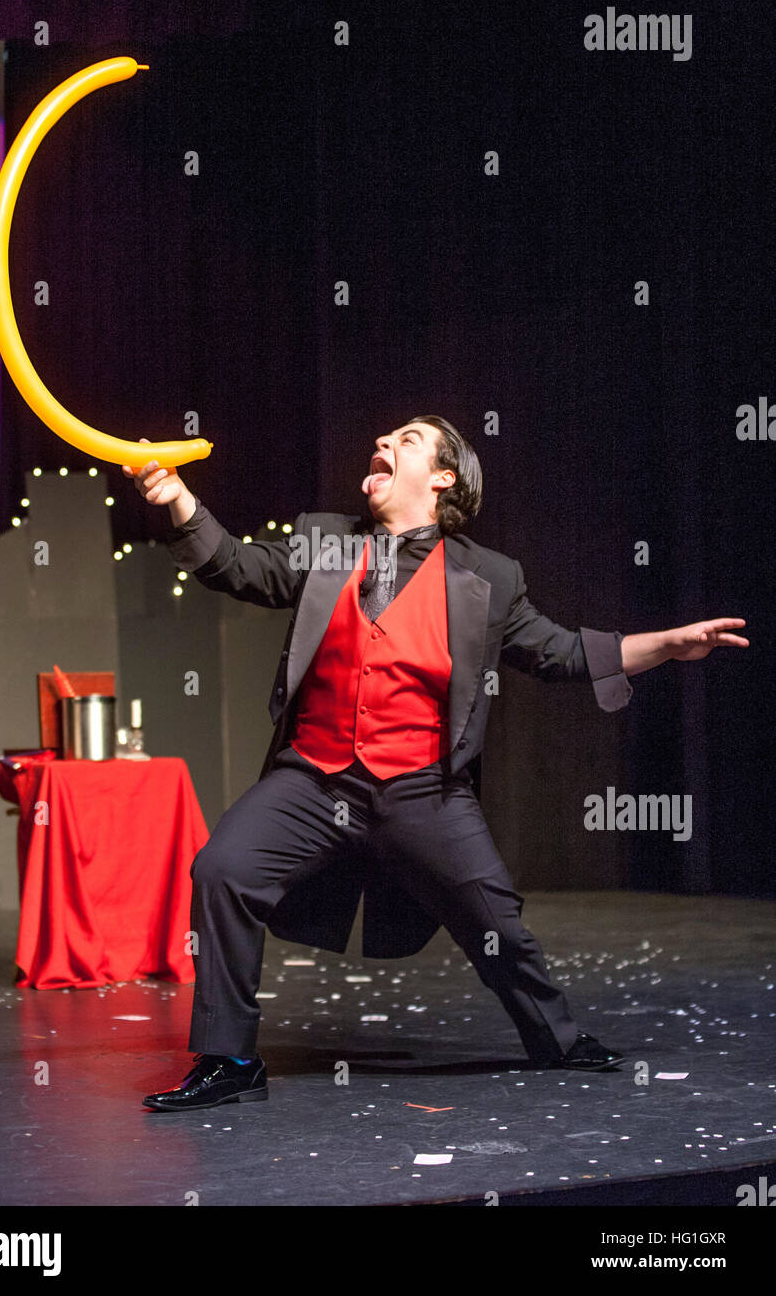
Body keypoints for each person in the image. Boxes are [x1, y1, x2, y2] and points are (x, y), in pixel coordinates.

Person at [125, 416, 748, 1111]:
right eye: (384, 439)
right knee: (223, 869)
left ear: (445, 477)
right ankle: (230, 1056)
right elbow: (240, 565)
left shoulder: (487, 577)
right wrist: (177, 498)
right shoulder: (326, 543)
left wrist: (664, 644)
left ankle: (559, 1039)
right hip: (314, 774)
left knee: (496, 920)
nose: (384, 443)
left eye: (408, 440)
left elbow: (562, 652)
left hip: (423, 788)